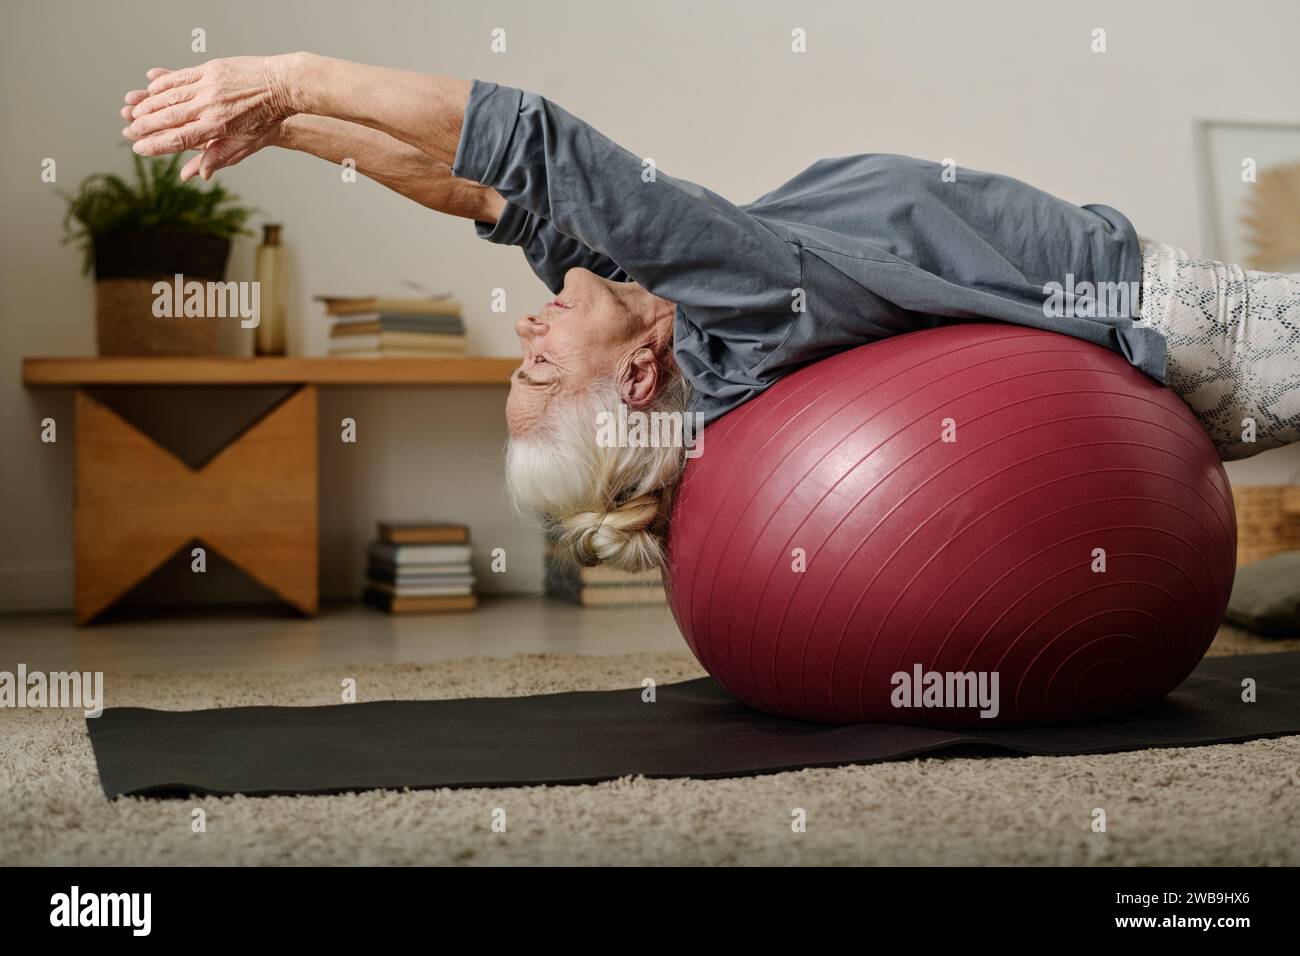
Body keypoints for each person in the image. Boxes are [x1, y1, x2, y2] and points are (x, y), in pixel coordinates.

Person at [121, 52, 1300, 570]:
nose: (524, 331)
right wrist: (290, 74)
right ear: (637, 379)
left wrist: (286, 129)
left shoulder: (685, 317)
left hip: (1179, 310)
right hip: (1218, 340)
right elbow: (538, 139)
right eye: (537, 369)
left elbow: (483, 185)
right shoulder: (747, 312)